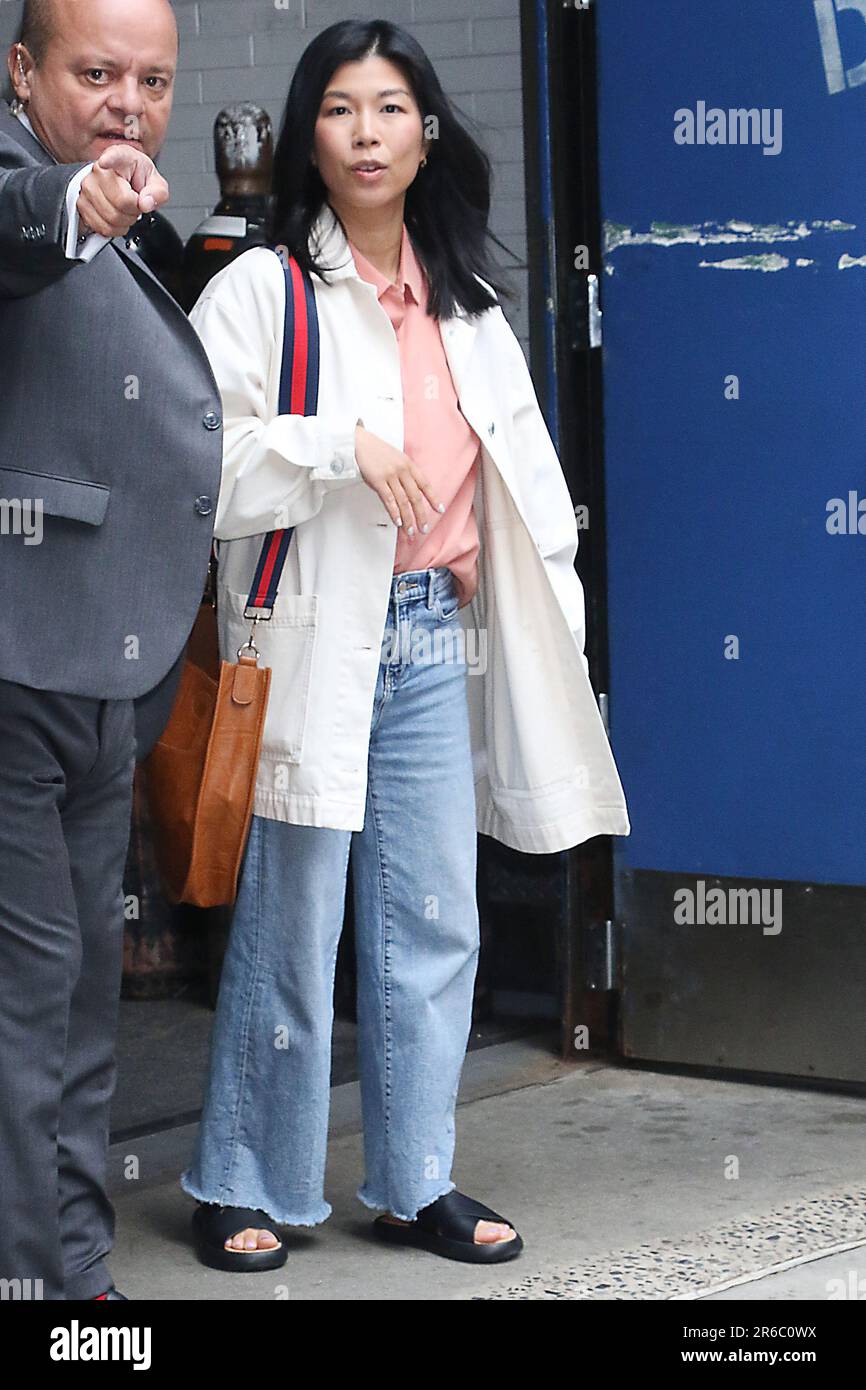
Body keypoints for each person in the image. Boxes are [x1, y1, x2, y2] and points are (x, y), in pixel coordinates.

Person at [180, 18, 630, 1271]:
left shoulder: (467, 305)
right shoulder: (259, 293)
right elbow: (193, 471)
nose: (365, 132)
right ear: (302, 136)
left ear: (425, 132)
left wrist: (517, 588)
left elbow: (522, 488)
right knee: (292, 919)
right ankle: (238, 1180)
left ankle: (414, 1178)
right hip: (313, 641)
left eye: (389, 108)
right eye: (338, 107)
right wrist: (334, 445)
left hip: (433, 640)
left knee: (432, 921)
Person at [0, 0, 223, 1300]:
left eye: (151, 78)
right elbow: (20, 229)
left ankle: (74, 1276)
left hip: (98, 673)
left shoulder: (122, 215)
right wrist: (70, 198)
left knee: (83, 1001)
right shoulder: (36, 195)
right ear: (22, 71)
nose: (127, 101)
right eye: (95, 73)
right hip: (19, 673)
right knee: (34, 1010)